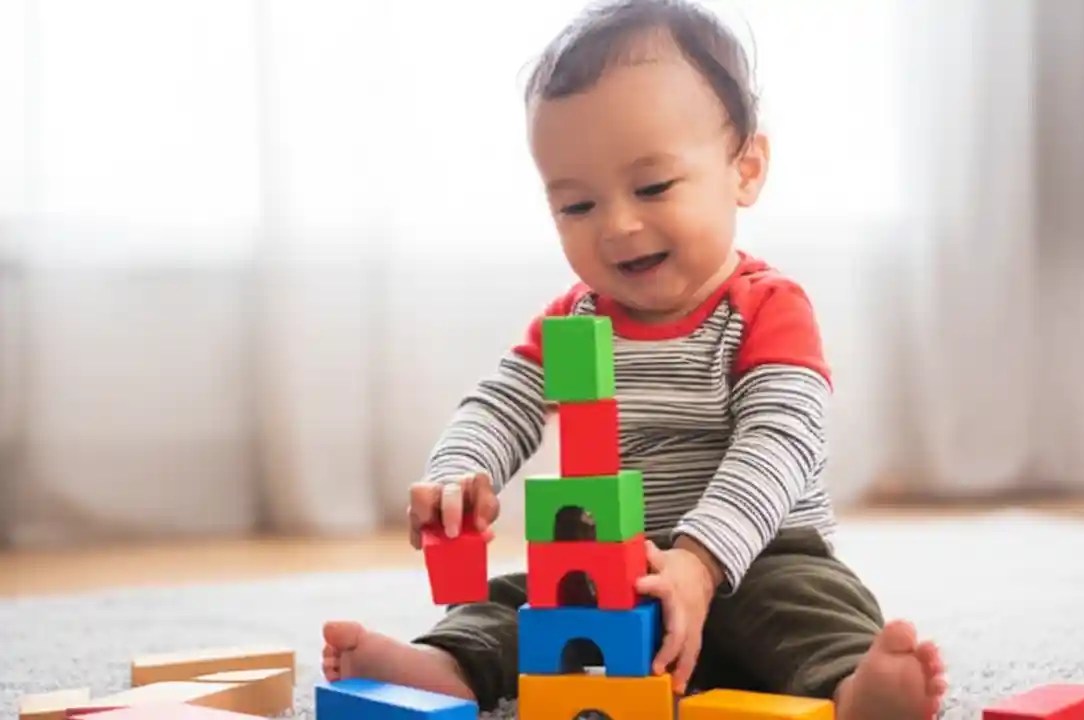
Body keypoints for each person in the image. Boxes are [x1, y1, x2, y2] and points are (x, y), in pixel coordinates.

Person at [321, 1, 947, 717]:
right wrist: (457, 474)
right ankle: (446, 666)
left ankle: (854, 686)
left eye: (653, 187)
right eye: (577, 206)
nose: (618, 225)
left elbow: (780, 442)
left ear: (744, 169)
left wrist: (700, 561)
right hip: (608, 564)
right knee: (516, 602)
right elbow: (501, 403)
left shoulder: (766, 309)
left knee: (807, 606)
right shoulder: (574, 320)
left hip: (757, 554)